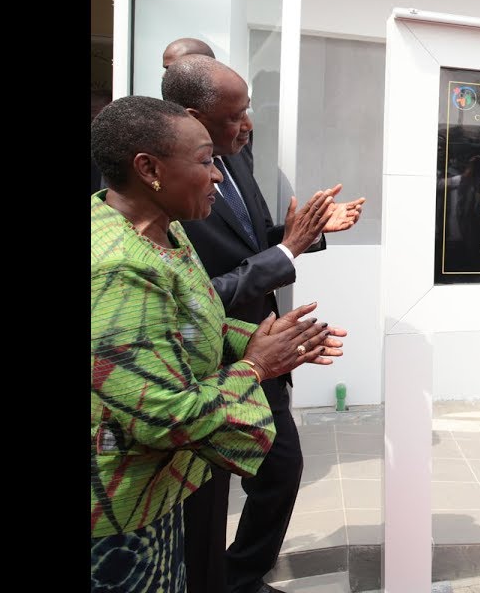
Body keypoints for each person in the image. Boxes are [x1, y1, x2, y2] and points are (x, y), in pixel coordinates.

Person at [91, 95, 344, 592]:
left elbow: (196, 312)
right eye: (206, 162)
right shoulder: (121, 266)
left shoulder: (162, 229)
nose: (218, 176)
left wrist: (267, 339)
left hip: (155, 498)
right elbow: (166, 416)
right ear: (149, 168)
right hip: (119, 516)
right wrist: (255, 366)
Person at [162, 54, 365, 593]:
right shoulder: (162, 189)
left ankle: (241, 577)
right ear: (192, 115)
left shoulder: (237, 158)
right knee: (204, 503)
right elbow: (199, 296)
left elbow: (256, 242)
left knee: (280, 471)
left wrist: (311, 232)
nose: (247, 125)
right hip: (208, 366)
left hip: (263, 351)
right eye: (235, 115)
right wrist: (286, 252)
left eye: (247, 110)